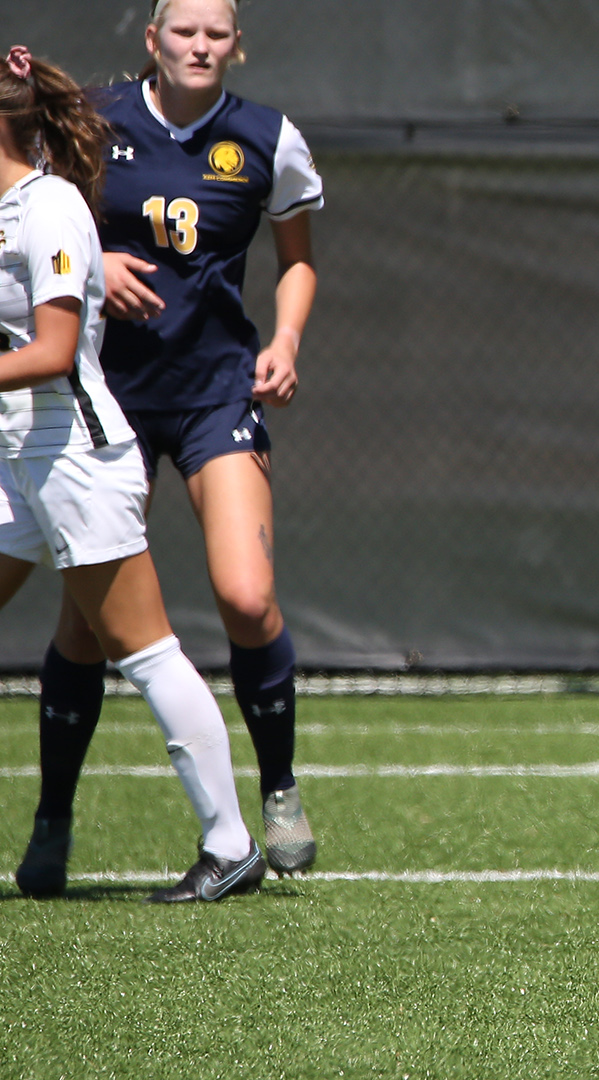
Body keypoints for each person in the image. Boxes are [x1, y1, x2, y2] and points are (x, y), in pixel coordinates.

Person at [19, 0, 324, 884]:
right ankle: (52, 816)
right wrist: (94, 262)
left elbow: (298, 257)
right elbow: (31, 213)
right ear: (151, 40)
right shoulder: (91, 123)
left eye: (215, 33)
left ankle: (279, 789)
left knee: (246, 595)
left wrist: (287, 340)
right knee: (87, 623)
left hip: (214, 393)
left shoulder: (268, 138)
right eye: (182, 31)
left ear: (238, 44)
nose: (199, 45)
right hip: (102, 396)